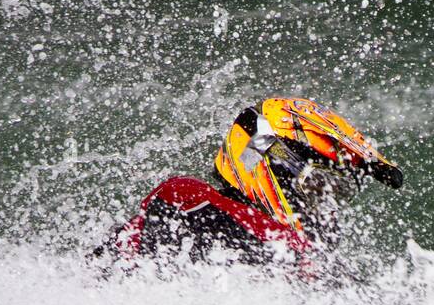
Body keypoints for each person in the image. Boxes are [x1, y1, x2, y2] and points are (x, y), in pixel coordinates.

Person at [102, 96, 403, 270]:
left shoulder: (296, 250)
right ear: (265, 156)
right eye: (319, 186)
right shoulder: (189, 198)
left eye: (338, 193)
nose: (326, 206)